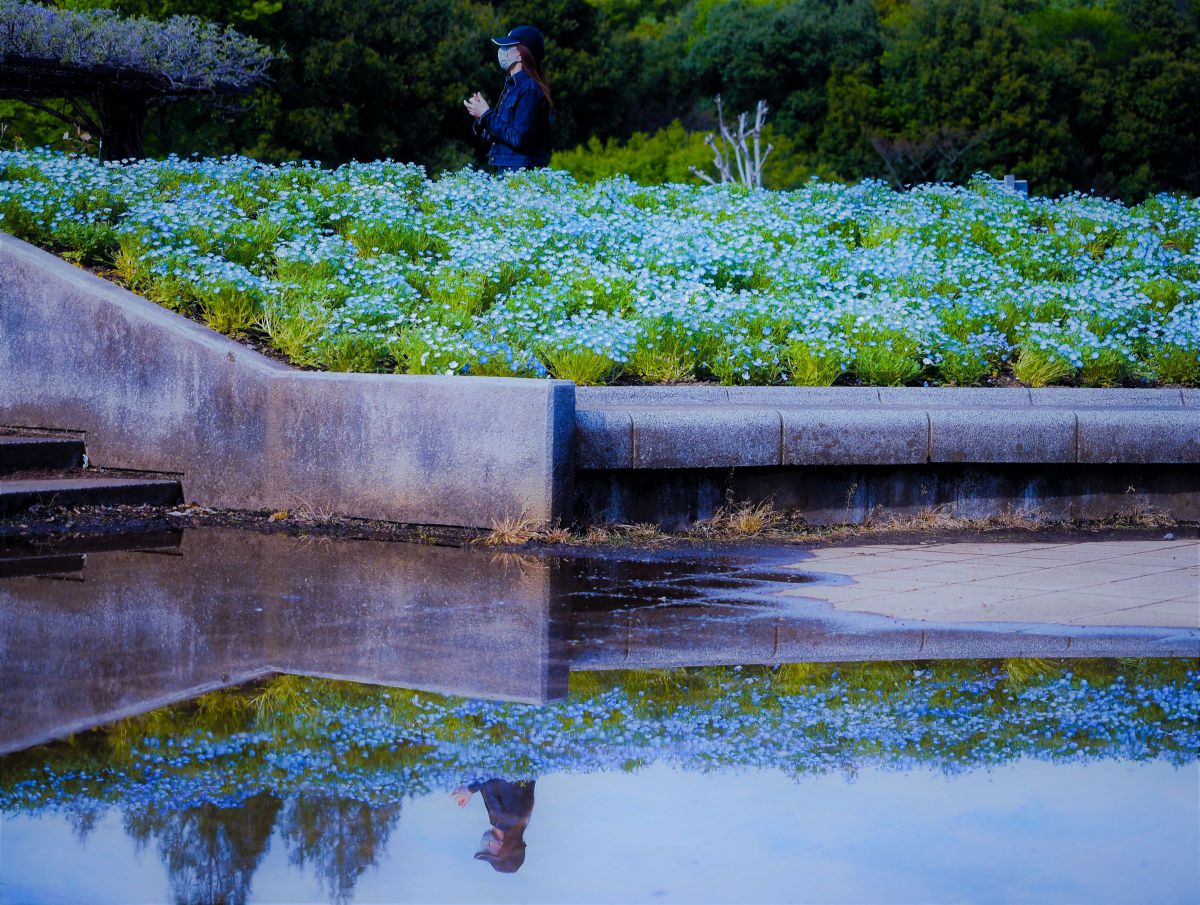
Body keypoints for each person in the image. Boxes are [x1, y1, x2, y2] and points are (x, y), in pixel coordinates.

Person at [464, 25, 553, 172]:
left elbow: (519, 138)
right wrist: (482, 117)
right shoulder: (513, 87)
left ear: (521, 53)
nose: (501, 51)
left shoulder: (529, 89)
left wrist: (487, 114)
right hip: (508, 169)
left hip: (520, 172)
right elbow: (504, 135)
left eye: (508, 46)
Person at [451, 778, 536, 873]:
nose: (485, 844)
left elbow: (487, 782)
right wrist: (470, 789)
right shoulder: (514, 815)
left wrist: (469, 785)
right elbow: (501, 772)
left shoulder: (498, 820)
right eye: (489, 850)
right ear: (504, 847)